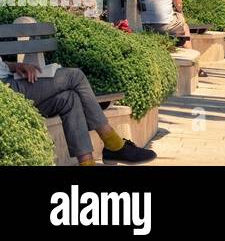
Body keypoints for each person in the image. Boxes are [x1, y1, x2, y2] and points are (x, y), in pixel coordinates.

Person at [1, 60, 155, 165]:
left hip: (9, 80)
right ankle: (113, 143)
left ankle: (86, 162)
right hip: (6, 90)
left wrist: (16, 66)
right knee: (75, 76)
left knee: (69, 98)